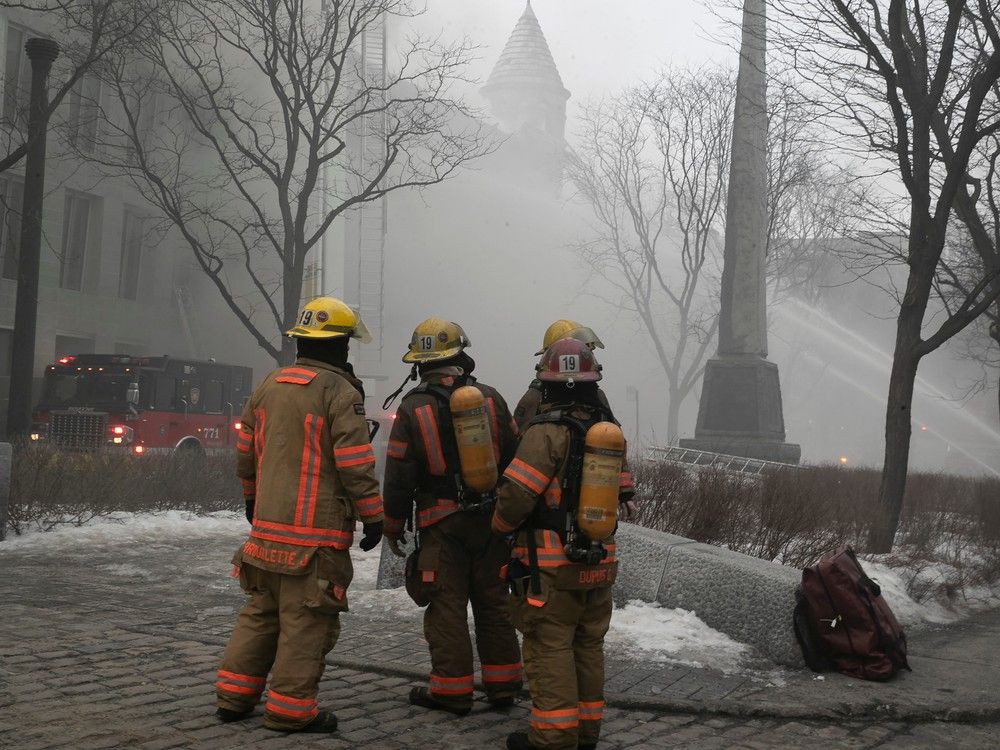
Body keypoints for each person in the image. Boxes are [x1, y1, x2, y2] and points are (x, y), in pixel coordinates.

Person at [214, 297, 384, 733]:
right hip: (314, 541)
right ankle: (290, 711)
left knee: (261, 612)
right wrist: (373, 516)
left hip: (266, 533)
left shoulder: (268, 384)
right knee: (306, 623)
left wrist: (252, 500)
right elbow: (354, 464)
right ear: (341, 344)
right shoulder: (340, 392)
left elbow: (245, 453)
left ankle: (233, 696)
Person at [493, 338, 634, 750]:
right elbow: (624, 490)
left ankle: (554, 737)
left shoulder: (545, 432)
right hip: (599, 561)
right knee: (588, 645)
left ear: (548, 382)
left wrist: (500, 526)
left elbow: (518, 494)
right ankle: (586, 732)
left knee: (549, 645)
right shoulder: (607, 430)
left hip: (551, 568)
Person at [382, 318, 523, 716]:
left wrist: (392, 525)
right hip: (492, 520)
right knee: (494, 603)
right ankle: (504, 687)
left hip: (441, 525)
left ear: (421, 364)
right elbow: (515, 454)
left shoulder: (414, 407)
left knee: (447, 607)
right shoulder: (490, 397)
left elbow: (398, 473)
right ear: (460, 356)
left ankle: (452, 691)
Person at [512, 319, 609, 431]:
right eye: (585, 349)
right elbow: (520, 435)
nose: (588, 355)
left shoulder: (596, 394)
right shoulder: (537, 395)